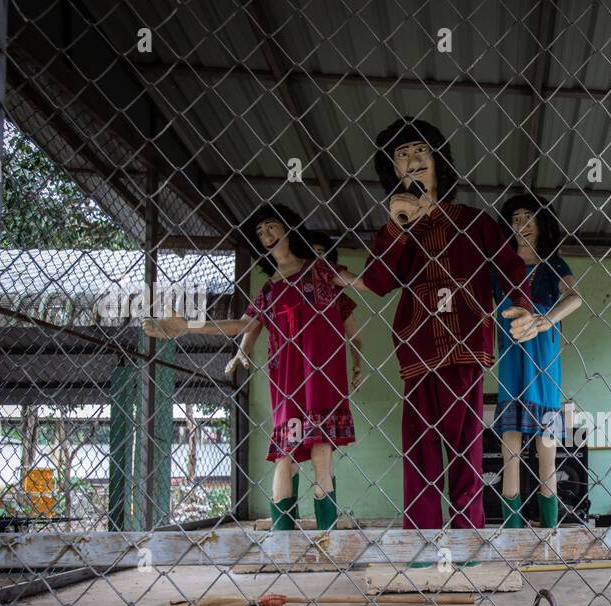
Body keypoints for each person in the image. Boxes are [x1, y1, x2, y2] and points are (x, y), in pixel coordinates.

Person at [354, 117, 539, 545]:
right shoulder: (395, 228)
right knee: (418, 456)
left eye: (420, 151)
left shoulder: (474, 221)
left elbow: (510, 266)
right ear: (393, 172)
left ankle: (466, 546)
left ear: (439, 163)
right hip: (416, 352)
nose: (412, 160)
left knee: (465, 454)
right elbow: (380, 282)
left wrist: (522, 306)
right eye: (401, 156)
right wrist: (396, 229)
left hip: (466, 348)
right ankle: (419, 547)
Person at [143, 204, 363, 530]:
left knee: (321, 457)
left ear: (289, 228)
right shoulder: (270, 290)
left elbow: (362, 285)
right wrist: (188, 326)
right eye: (260, 233)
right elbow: (240, 326)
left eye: (271, 227)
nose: (266, 236)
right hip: (287, 384)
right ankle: (283, 542)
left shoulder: (321, 271)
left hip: (324, 380)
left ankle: (326, 543)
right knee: (285, 457)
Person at [492, 193, 583, 529]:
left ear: (542, 223)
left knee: (548, 450)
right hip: (511, 356)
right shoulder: (498, 267)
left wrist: (545, 319)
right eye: (514, 218)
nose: (521, 225)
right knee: (510, 450)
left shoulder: (552, 264)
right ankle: (512, 533)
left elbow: (575, 296)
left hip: (544, 357)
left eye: (528, 217)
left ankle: (549, 531)